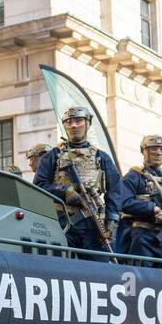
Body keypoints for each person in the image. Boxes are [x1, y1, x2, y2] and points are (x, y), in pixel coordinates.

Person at [33, 105, 121, 254]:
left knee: (99, 266)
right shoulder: (53, 155)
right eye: (69, 122)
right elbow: (39, 185)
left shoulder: (102, 157)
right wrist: (64, 191)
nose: (73, 125)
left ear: (87, 123)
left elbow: (115, 191)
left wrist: (112, 220)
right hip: (62, 222)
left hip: (94, 224)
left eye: (78, 121)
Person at [117, 134, 162, 266]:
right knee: (144, 278)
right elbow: (124, 202)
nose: (158, 152)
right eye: (154, 148)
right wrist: (152, 208)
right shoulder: (134, 176)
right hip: (144, 237)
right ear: (144, 151)